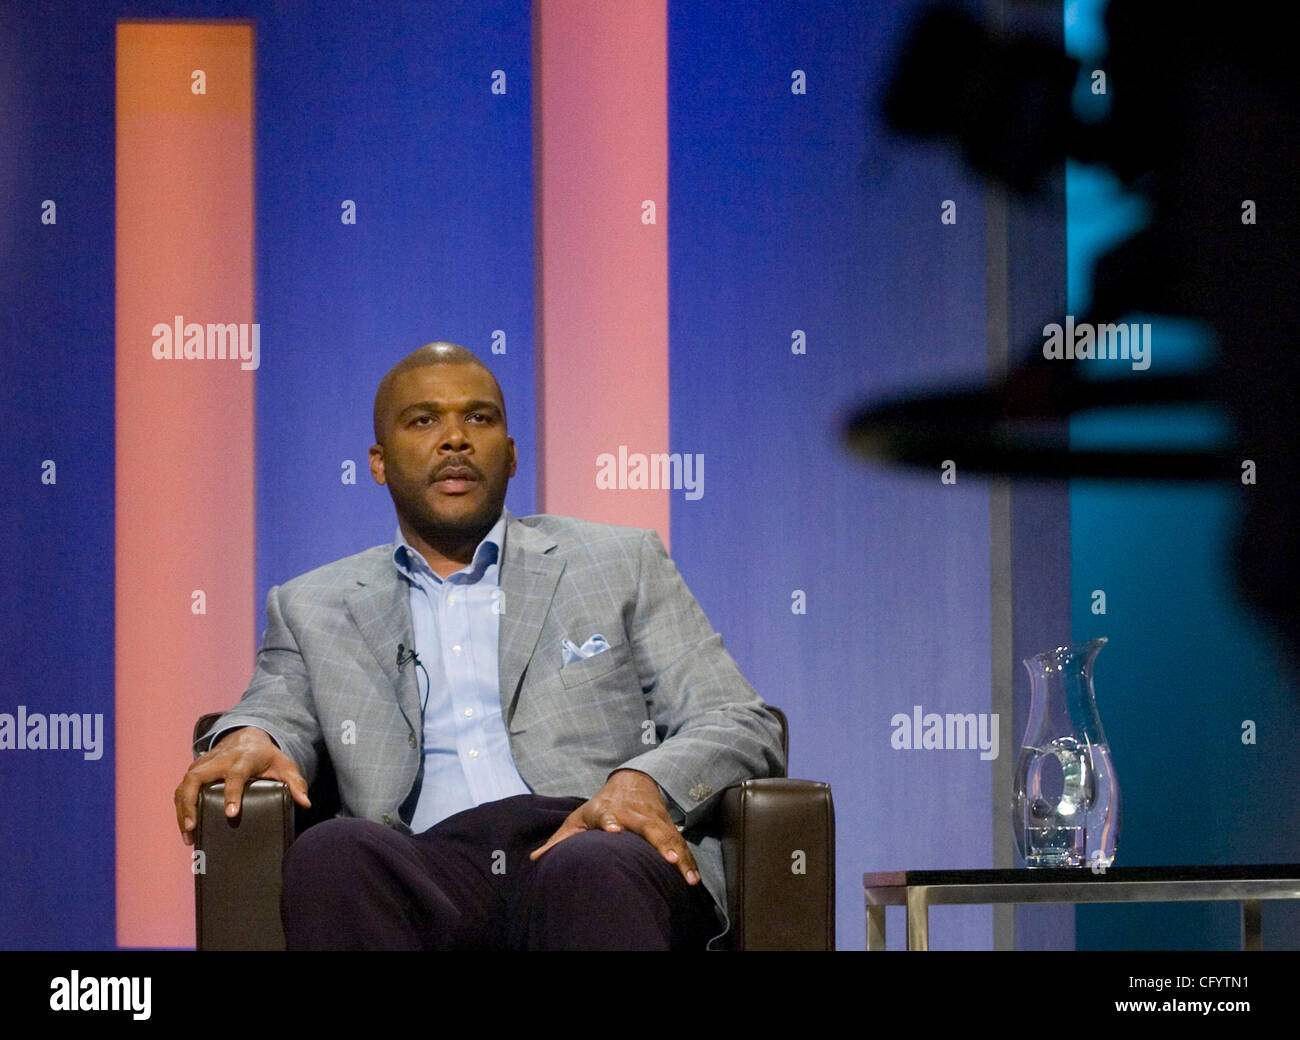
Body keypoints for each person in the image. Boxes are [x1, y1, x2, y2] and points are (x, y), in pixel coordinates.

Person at [173, 342, 784, 950]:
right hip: (423, 863)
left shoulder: (621, 562)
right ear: (379, 461)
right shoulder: (312, 604)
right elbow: (273, 709)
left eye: (479, 418)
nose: (455, 439)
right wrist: (251, 737)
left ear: (512, 455)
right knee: (331, 853)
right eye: (423, 420)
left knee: (593, 868)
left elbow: (737, 719)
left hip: (586, 841)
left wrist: (640, 783)